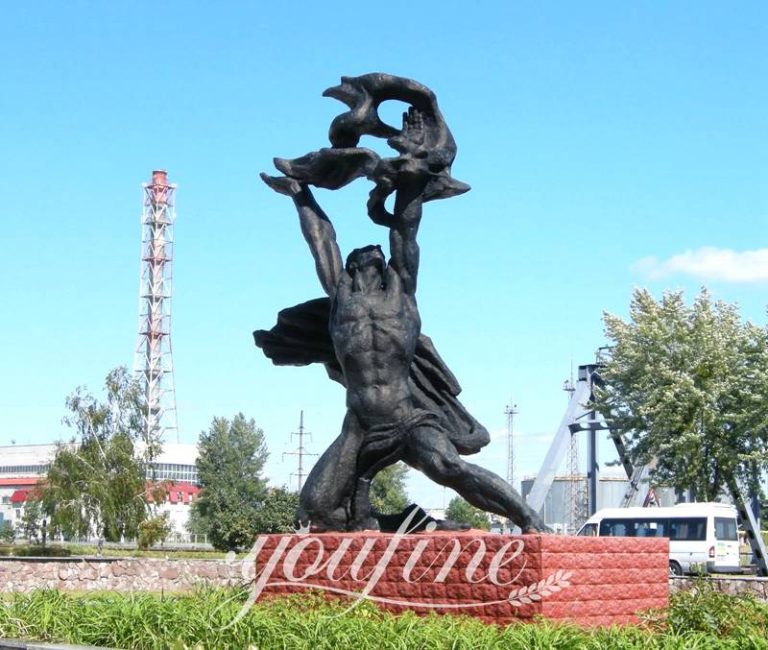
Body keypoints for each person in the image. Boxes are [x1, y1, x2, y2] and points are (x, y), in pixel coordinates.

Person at [259, 111, 547, 533]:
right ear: (353, 267)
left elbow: (406, 229)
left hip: (407, 417)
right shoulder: (342, 298)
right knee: (315, 510)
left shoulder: (403, 295)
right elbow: (321, 240)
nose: (374, 253)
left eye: (379, 253)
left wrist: (412, 171)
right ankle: (407, 523)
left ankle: (529, 519)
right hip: (359, 427)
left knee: (448, 467)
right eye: (366, 255)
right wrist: (300, 195)